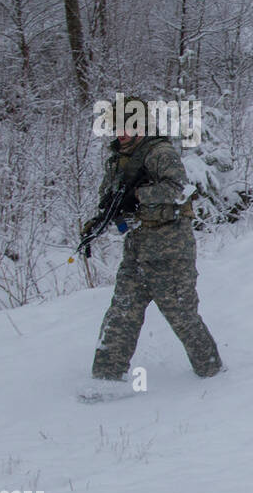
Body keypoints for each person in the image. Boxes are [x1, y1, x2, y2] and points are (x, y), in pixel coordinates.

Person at [89, 100, 222, 384]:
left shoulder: (160, 153)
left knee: (182, 315)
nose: (120, 132)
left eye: (127, 125)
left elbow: (179, 190)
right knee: (121, 313)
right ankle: (105, 378)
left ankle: (213, 374)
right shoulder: (117, 160)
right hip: (137, 249)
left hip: (170, 249)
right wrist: (102, 217)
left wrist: (138, 195)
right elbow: (111, 199)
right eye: (116, 126)